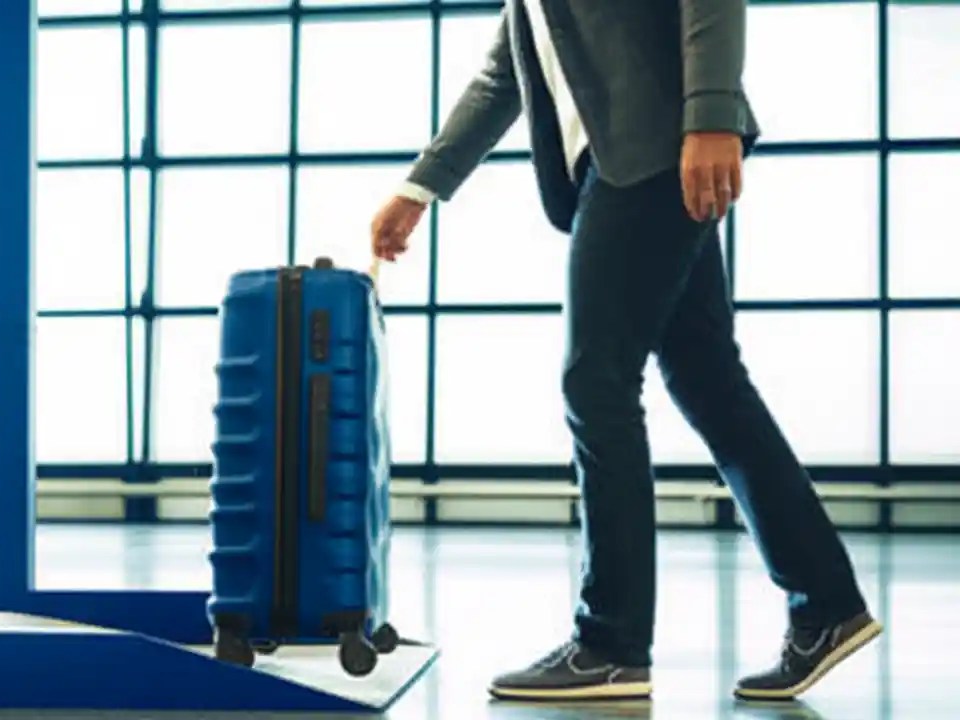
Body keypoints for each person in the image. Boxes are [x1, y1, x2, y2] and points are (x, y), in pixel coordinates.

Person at [370, 0, 881, 703]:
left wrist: (710, 116)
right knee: (709, 381)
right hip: (625, 163)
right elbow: (503, 78)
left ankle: (610, 642)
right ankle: (826, 604)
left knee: (597, 383)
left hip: (656, 152)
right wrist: (420, 186)